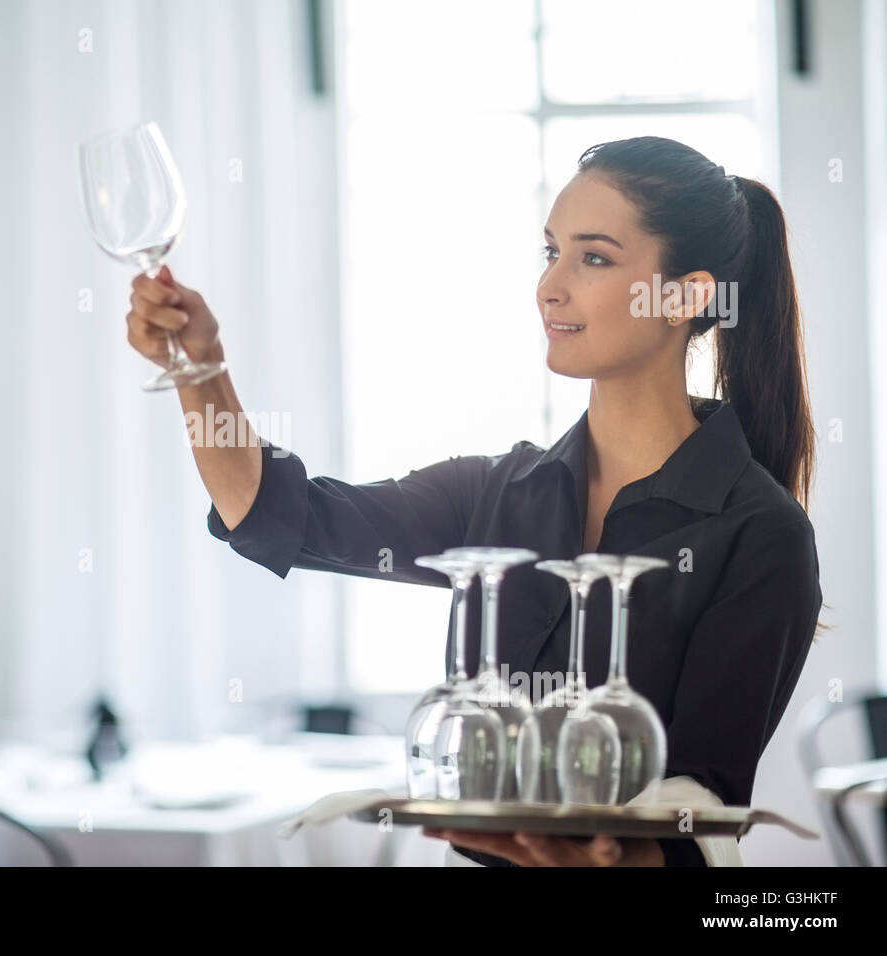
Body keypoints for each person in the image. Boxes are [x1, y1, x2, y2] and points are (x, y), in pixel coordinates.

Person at [123, 136, 823, 867]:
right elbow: (270, 511)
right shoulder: (496, 492)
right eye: (549, 251)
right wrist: (199, 368)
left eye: (593, 258)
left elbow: (696, 818)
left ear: (685, 295)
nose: (550, 286)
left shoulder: (760, 535)